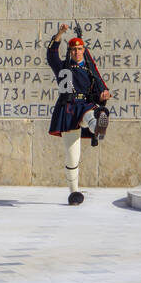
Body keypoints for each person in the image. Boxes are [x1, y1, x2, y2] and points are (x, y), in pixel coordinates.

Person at [45, 23, 111, 205]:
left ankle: (97, 128)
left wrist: (104, 94)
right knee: (72, 157)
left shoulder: (90, 70)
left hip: (85, 104)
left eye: (79, 49)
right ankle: (74, 192)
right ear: (70, 51)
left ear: (84, 50)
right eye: (73, 50)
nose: (76, 52)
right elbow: (51, 54)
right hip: (67, 108)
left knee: (92, 114)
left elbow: (100, 89)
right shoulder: (62, 66)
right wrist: (59, 34)